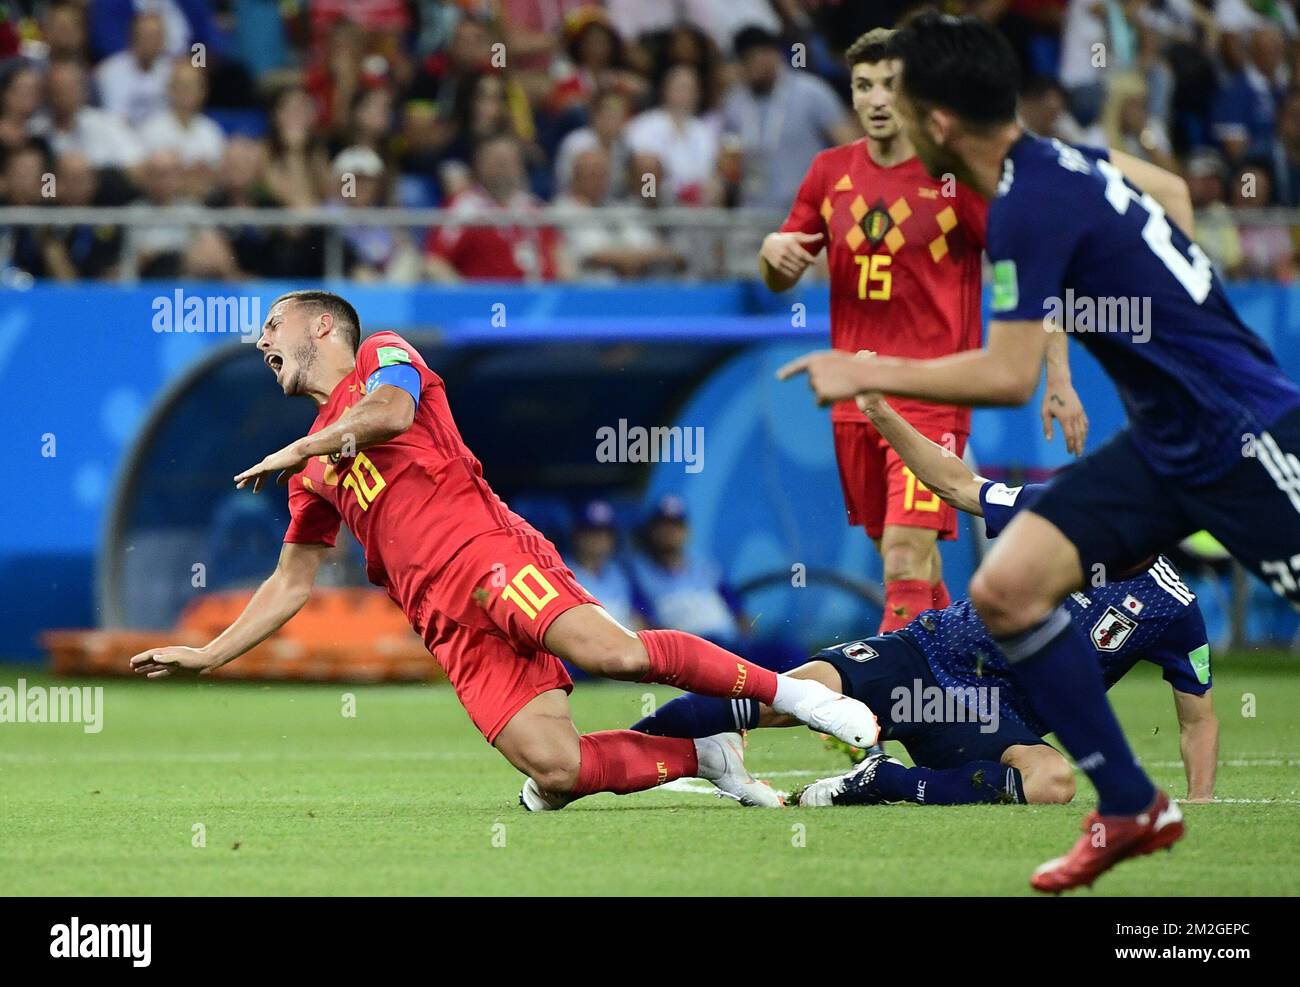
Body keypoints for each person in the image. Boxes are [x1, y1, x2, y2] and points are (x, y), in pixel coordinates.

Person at [778, 12, 1300, 892]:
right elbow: (1170, 192)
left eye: (900, 107)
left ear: (938, 122)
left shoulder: (1022, 207)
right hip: (1166, 445)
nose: (889, 128)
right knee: (1008, 587)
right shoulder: (1059, 162)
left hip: (1245, 433)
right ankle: (1132, 806)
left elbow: (1009, 375)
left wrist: (866, 367)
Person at [130, 291, 883, 814]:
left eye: (273, 324)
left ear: (324, 326)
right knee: (555, 769)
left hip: (486, 555)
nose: (261, 340)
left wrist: (303, 443)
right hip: (444, 624)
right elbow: (291, 581)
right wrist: (211, 653)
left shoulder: (385, 356)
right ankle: (703, 756)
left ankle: (799, 697)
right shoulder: (313, 474)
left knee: (614, 654)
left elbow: (390, 414)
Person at [633, 391, 1219, 809]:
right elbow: (958, 484)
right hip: (925, 651)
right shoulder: (1062, 510)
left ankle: (883, 783)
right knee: (780, 695)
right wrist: (882, 412)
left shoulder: (1171, 607)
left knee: (1051, 782)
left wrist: (1201, 805)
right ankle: (596, 759)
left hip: (990, 719)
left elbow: (1197, 718)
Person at [760, 27, 1087, 635]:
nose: (878, 98)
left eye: (890, 84)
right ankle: (952, 693)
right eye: (864, 86)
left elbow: (1031, 272)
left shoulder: (954, 178)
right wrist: (771, 254)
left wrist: (1059, 376)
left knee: (903, 557)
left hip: (935, 398)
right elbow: (783, 270)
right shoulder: (830, 173)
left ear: (912, 93)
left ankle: (873, 713)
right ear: (851, 97)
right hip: (858, 401)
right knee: (916, 565)